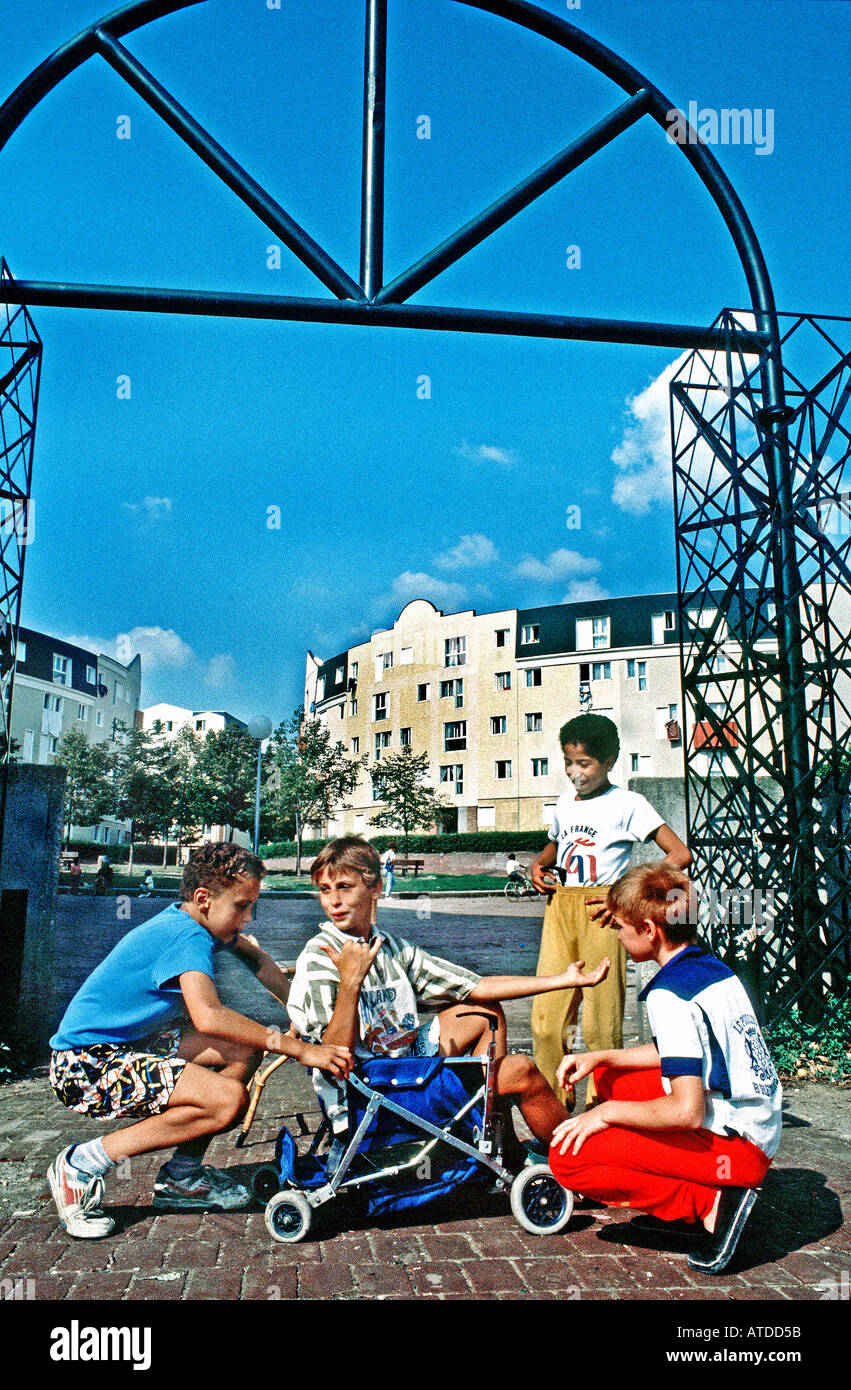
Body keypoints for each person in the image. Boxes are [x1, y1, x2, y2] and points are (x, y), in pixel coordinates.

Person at [46, 843, 351, 1239]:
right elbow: (209, 1015)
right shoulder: (186, 937)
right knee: (227, 1101)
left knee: (245, 1048)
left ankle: (181, 1178)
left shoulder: (195, 921)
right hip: (84, 1063)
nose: (246, 920)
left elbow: (257, 961)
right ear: (204, 899)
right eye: (242, 907)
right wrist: (300, 1048)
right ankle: (82, 1164)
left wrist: (305, 1017)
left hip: (128, 1044)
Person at [286, 836, 611, 1156]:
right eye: (325, 889)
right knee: (519, 1070)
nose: (334, 901)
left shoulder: (389, 947)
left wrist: (563, 980)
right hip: (367, 1096)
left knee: (486, 1012)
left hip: (405, 1070)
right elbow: (333, 1059)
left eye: (344, 887)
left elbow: (475, 986)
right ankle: (583, 1159)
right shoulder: (320, 957)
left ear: (375, 889)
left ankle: (491, 1132)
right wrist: (351, 983)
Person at [548, 864, 782, 1274]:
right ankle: (709, 1188)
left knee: (569, 1157)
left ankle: (711, 1203)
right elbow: (684, 1047)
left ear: (649, 930)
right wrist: (601, 1057)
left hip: (736, 1148)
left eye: (621, 927)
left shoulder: (668, 995)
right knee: (608, 1077)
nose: (617, 936)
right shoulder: (711, 968)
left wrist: (604, 1113)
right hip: (757, 1125)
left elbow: (686, 1112)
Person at [529, 713, 690, 1106]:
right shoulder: (565, 804)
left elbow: (679, 854)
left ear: (609, 761)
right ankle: (551, 1109)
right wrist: (538, 864)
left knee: (601, 1023)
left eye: (584, 764)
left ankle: (602, 1107)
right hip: (560, 907)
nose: (574, 772)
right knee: (548, 1019)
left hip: (602, 912)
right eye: (568, 762)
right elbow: (556, 847)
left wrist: (626, 895)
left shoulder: (628, 804)